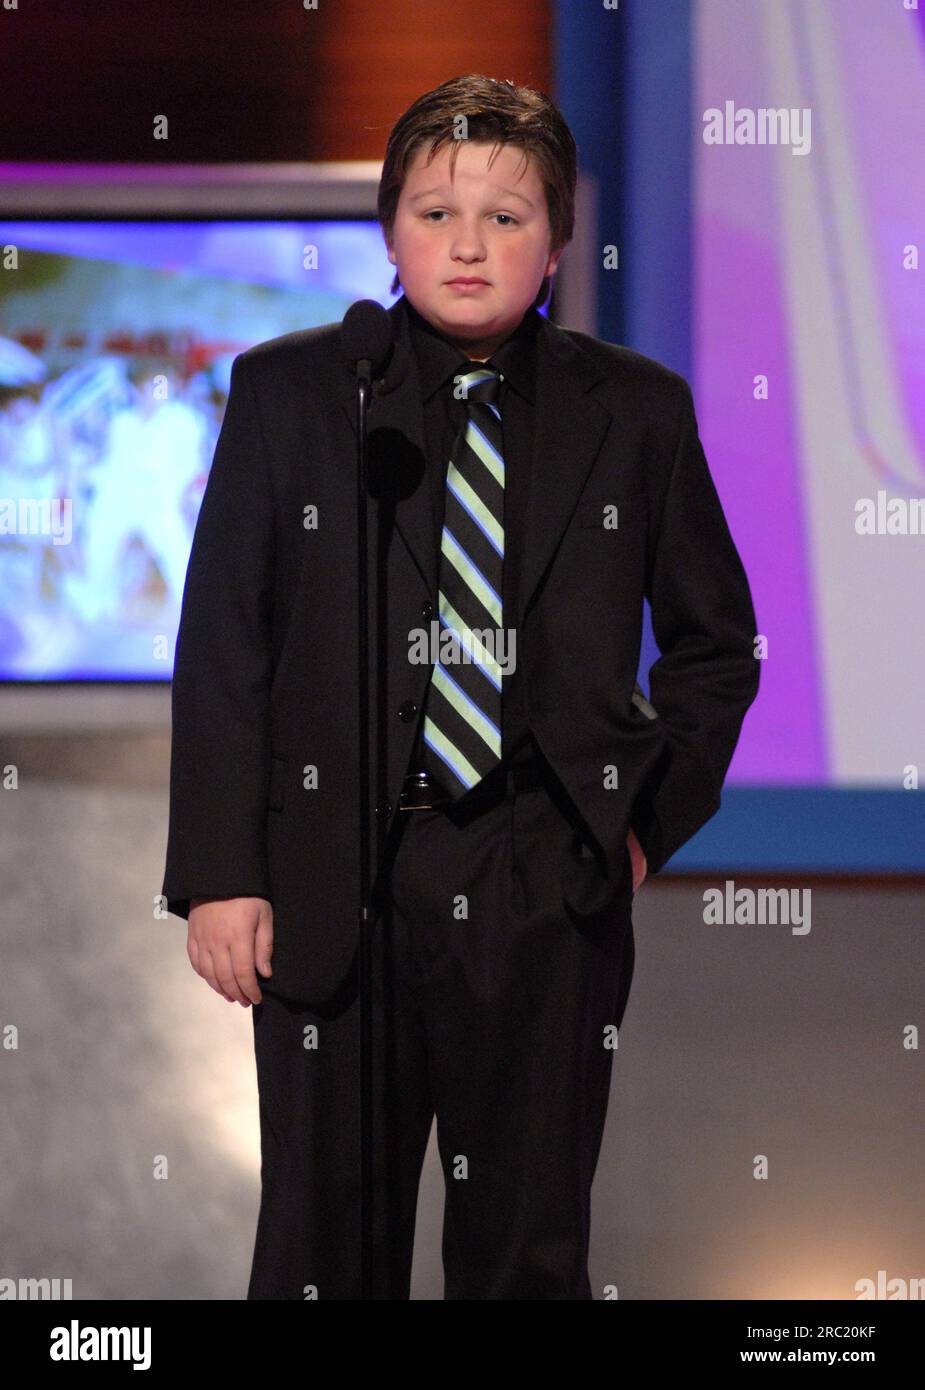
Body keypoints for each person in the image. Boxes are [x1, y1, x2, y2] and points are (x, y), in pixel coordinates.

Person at [161, 73, 760, 1300]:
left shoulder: (634, 412)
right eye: (434, 213)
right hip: (337, 876)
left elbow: (715, 645)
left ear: (555, 244)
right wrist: (223, 871)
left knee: (526, 1256)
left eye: (505, 215)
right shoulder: (293, 394)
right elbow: (226, 643)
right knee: (325, 1251)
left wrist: (635, 830)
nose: (468, 244)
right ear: (389, 231)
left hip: (542, 880)